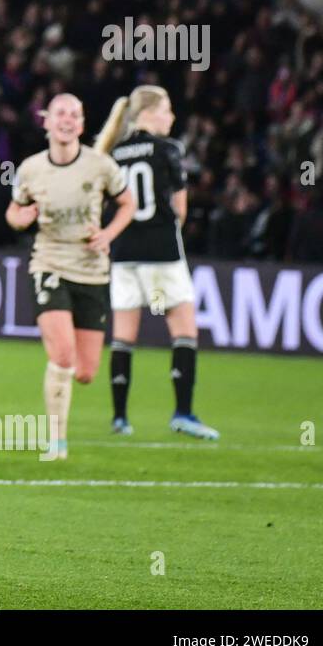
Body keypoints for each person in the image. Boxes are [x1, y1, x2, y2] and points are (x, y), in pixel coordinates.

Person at [6, 93, 135, 460]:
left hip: (92, 272)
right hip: (49, 265)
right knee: (63, 356)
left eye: (74, 115)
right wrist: (22, 218)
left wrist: (108, 235)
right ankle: (56, 441)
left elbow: (129, 204)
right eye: (60, 113)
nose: (67, 120)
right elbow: (13, 212)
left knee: (85, 372)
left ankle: (60, 404)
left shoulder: (100, 166)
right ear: (46, 121)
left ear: (81, 124)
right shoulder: (30, 168)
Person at [96, 86, 218, 440]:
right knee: (182, 329)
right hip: (161, 254)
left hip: (123, 255)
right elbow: (179, 210)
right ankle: (183, 413)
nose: (172, 117)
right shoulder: (168, 149)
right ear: (148, 113)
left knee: (123, 336)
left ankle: (120, 418)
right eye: (167, 110)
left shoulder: (113, 153)